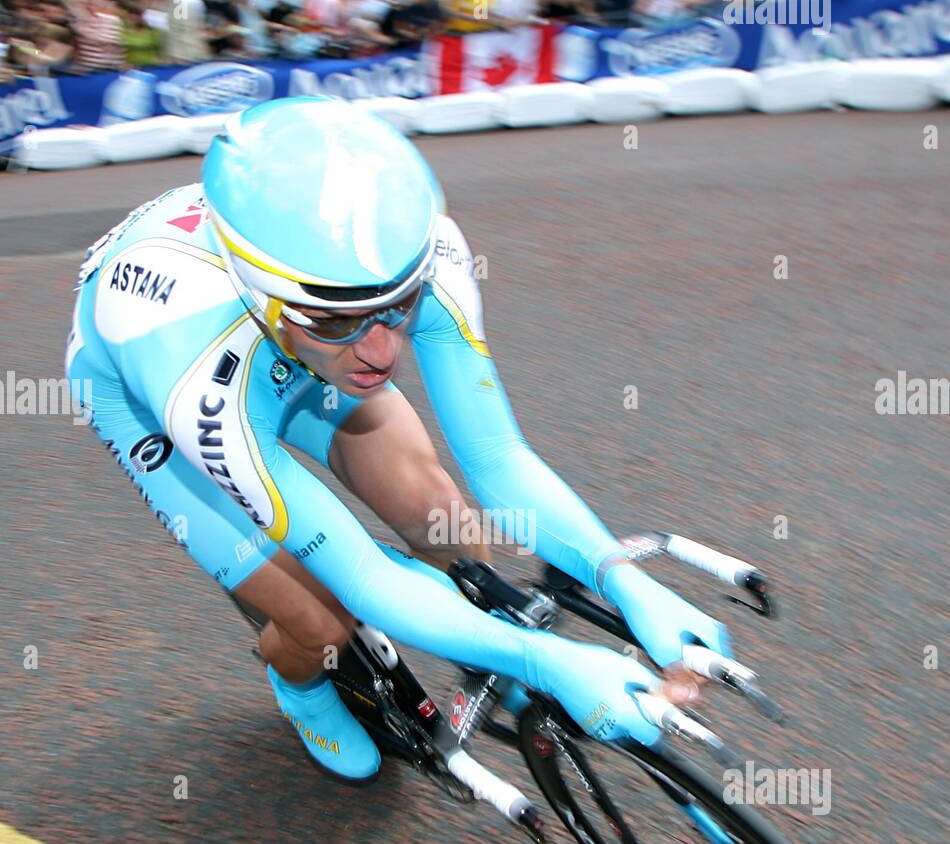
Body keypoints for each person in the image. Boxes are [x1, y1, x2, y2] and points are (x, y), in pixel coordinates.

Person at [67, 97, 728, 782]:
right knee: (324, 618)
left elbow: (498, 457)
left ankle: (482, 646)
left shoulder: (415, 252)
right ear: (267, 297)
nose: (382, 350)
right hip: (155, 391)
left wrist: (625, 580)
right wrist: (544, 658)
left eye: (399, 310)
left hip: (289, 350)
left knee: (444, 517)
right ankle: (299, 688)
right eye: (340, 319)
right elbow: (362, 574)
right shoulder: (188, 368)